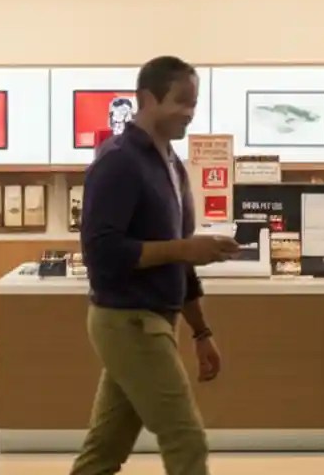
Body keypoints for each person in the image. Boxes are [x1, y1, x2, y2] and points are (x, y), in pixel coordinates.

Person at [70, 56, 239, 475]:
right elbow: (103, 253)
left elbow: (181, 257)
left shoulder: (172, 165)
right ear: (146, 98)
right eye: (181, 101)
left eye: (195, 102)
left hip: (154, 320)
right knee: (186, 439)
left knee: (103, 452)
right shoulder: (119, 161)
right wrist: (184, 248)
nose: (190, 112)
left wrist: (201, 330)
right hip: (128, 322)